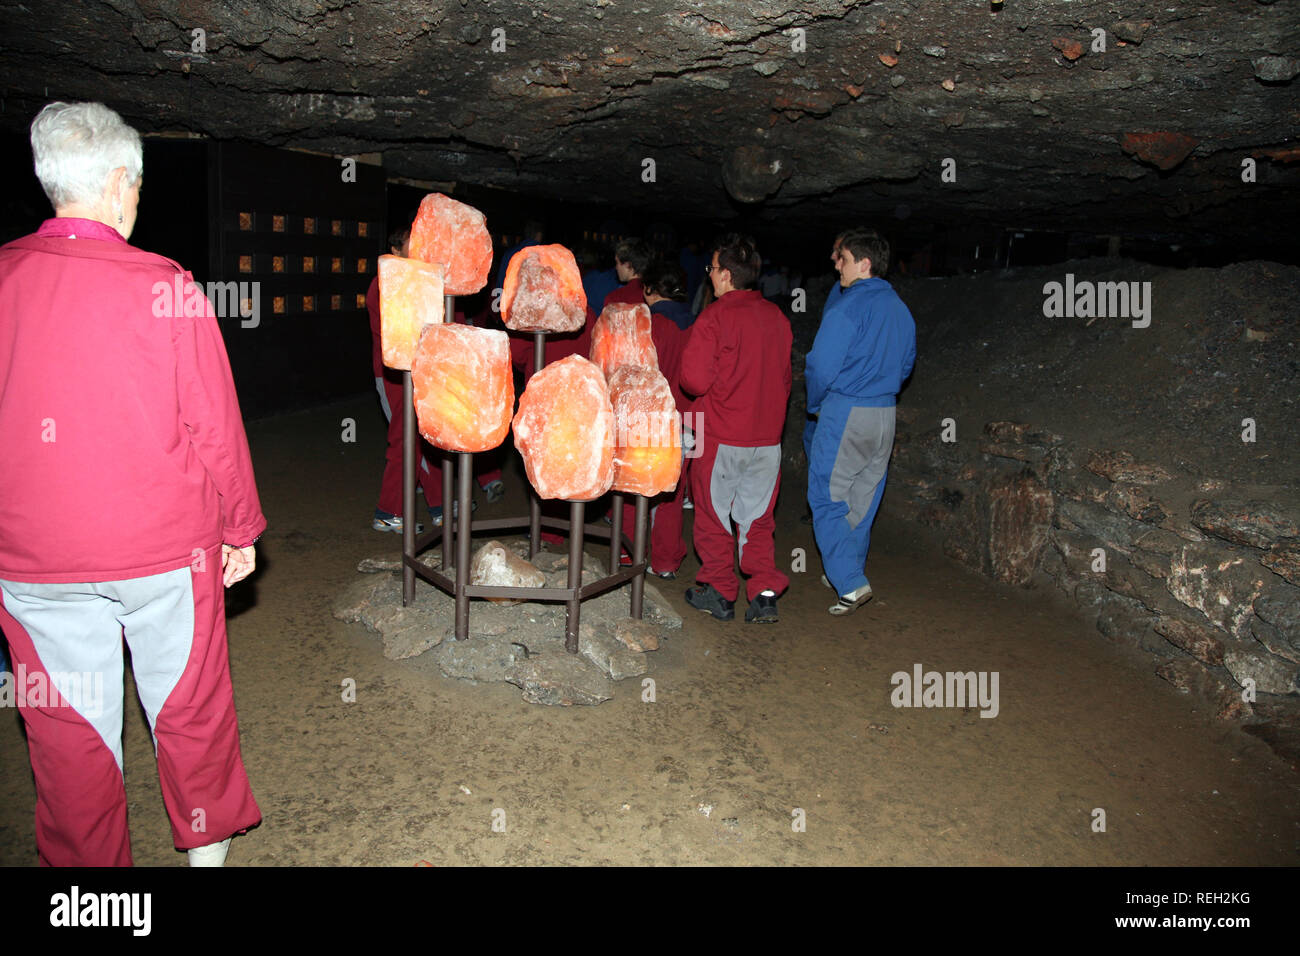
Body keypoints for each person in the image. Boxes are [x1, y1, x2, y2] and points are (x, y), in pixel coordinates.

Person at [0, 101, 263, 865]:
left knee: (69, 735)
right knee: (189, 709)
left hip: (31, 560)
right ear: (119, 184)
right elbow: (213, 422)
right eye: (139, 188)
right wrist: (239, 527)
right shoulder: (166, 284)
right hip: (161, 551)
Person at [680, 234, 792, 623]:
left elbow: (693, 381)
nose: (709, 275)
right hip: (767, 441)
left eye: (711, 269)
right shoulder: (778, 318)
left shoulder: (715, 317)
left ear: (726, 275)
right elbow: (784, 379)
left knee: (713, 517)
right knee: (757, 519)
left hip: (722, 436)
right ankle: (763, 593)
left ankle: (719, 591)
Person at [805, 227, 916, 616]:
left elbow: (820, 364)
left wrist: (818, 402)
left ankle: (850, 582)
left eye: (845, 259)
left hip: (847, 411)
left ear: (864, 265)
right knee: (863, 497)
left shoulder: (848, 306)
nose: (838, 265)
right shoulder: (900, 308)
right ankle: (845, 568)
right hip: (885, 413)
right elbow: (905, 366)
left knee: (827, 495)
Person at [602, 238, 651, 310]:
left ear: (627, 264)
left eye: (617, 262)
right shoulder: (655, 295)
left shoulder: (615, 298)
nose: (616, 268)